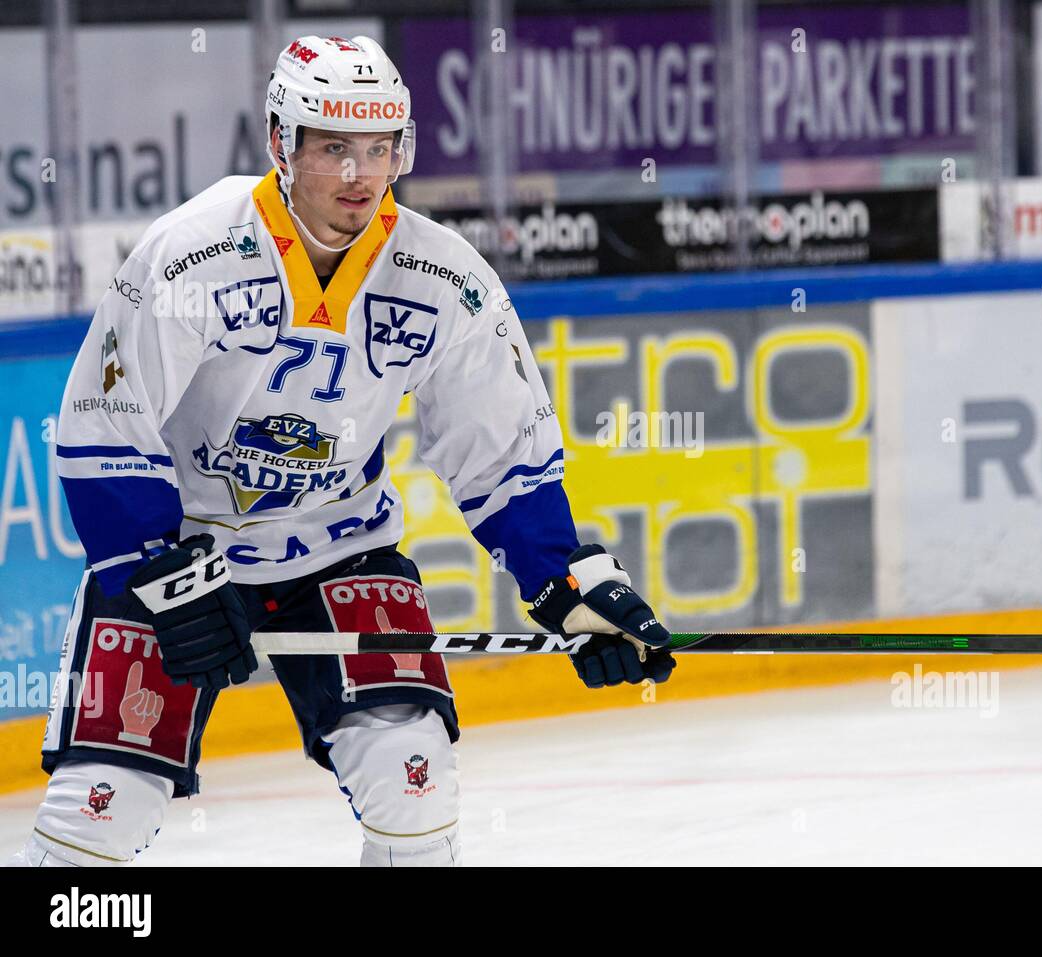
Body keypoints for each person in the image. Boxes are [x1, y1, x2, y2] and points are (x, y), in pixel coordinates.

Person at [7, 35, 674, 868]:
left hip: (339, 547)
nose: (359, 175)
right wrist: (162, 576)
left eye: (379, 148)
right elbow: (105, 420)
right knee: (97, 815)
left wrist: (573, 585)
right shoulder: (193, 252)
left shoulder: (445, 278)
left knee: (416, 787)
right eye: (333, 148)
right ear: (280, 144)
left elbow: (501, 453)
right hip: (182, 552)